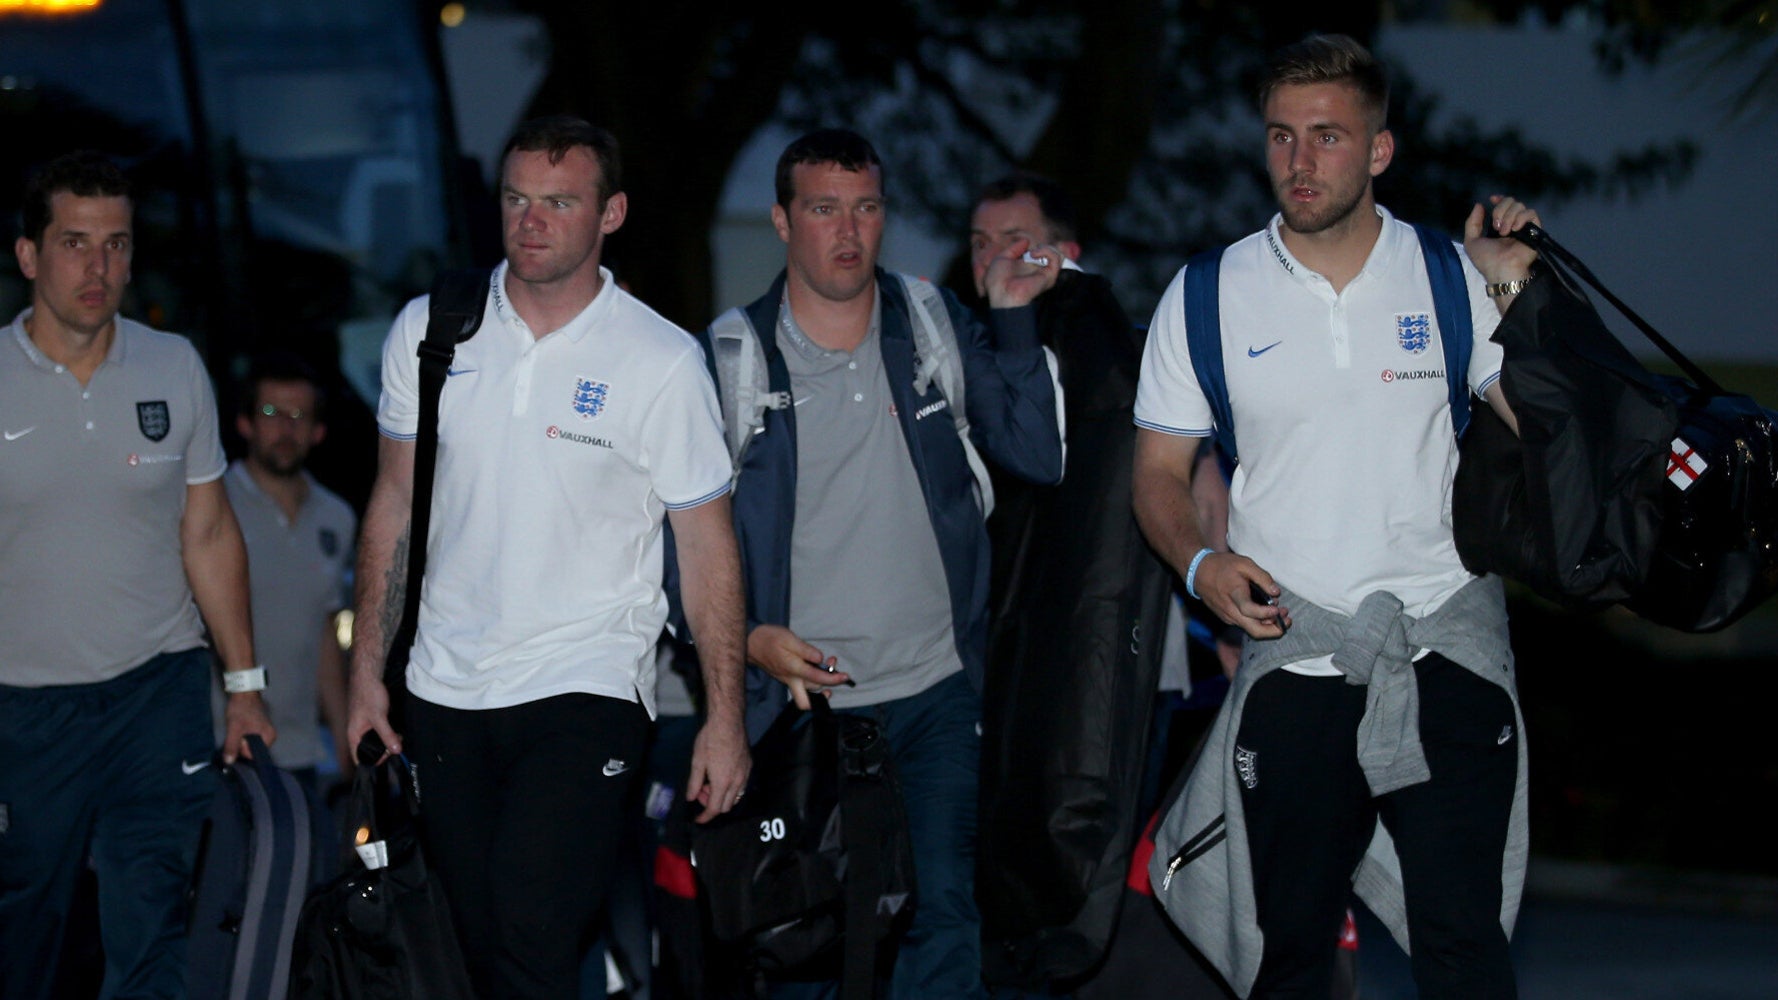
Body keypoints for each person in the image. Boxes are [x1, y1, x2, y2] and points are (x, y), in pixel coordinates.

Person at [1131, 35, 1541, 999]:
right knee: (1293, 956)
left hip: (1445, 645)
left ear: (1379, 151)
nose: (1299, 161)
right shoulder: (1206, 294)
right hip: (1295, 651)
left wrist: (1511, 283)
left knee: (1464, 951)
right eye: (1282, 137)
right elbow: (1157, 471)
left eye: (1326, 137)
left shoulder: (1450, 276)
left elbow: (1545, 427)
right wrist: (1200, 566)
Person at [345, 115, 750, 1000]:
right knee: (474, 944)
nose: (530, 221)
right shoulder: (432, 330)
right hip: (446, 684)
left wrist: (725, 718)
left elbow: (708, 544)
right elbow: (393, 503)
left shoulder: (660, 360)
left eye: (559, 202)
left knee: (533, 928)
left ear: (611, 214)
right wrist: (366, 672)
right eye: (517, 200)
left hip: (587, 681)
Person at [706, 129, 1063, 999]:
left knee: (943, 919)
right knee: (807, 934)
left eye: (865, 208)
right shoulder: (731, 356)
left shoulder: (931, 322)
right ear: (783, 221)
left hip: (935, 692)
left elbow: (1038, 454)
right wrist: (748, 639)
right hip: (805, 715)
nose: (848, 230)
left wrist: (1013, 313)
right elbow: (676, 546)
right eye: (824, 209)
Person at [0, 150, 274, 1000]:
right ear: (28, 255)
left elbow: (210, 531)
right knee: (24, 929)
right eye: (76, 243)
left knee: (153, 917)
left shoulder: (172, 366)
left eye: (116, 245)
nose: (99, 267)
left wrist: (245, 685)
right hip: (25, 708)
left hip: (155, 693)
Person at [965, 173, 1174, 989]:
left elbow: (1184, 481)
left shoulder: (1103, 340)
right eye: (979, 243)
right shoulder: (999, 343)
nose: (994, 260)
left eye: (1014, 240)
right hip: (1030, 661)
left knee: (1083, 878)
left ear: (1064, 251)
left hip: (1121, 667)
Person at [215, 353, 356, 796]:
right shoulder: (213, 506)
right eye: (271, 413)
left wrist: (342, 737)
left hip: (300, 750)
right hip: (218, 743)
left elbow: (326, 633)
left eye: (299, 416)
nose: (285, 428)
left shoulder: (336, 517)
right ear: (245, 423)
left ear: (318, 430)